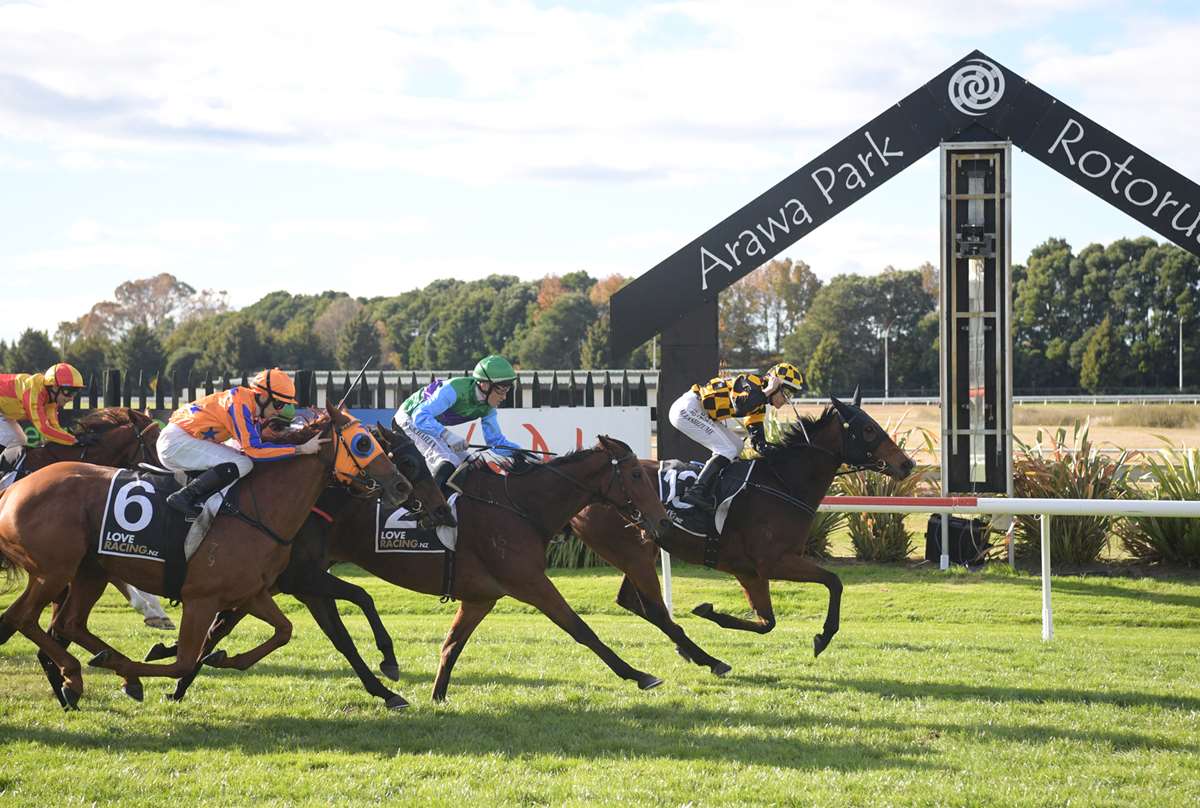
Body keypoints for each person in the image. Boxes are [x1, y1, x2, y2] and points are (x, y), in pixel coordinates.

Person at [156, 367, 324, 516]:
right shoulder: (240, 405)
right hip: (176, 443)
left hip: (185, 440)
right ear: (264, 396)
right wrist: (300, 449)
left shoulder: (248, 405)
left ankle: (209, 499)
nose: (279, 410)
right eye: (279, 404)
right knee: (243, 462)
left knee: (240, 458)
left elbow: (258, 444)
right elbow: (255, 451)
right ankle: (185, 496)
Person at [669, 362, 807, 513]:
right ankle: (695, 492)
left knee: (737, 446)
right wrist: (768, 390)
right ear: (775, 384)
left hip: (701, 412)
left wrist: (776, 454)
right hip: (688, 408)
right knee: (727, 449)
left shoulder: (759, 405)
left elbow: (757, 440)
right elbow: (741, 406)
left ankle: (712, 489)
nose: (787, 400)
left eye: (791, 396)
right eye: (786, 393)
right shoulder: (750, 381)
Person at [394, 355, 522, 489]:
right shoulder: (453, 390)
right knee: (447, 461)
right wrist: (447, 436)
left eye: (507, 390)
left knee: (472, 463)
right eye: (501, 390)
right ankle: (430, 507)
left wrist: (521, 453)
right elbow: (420, 417)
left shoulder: (488, 408)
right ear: (485, 384)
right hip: (408, 419)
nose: (504, 396)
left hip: (426, 425)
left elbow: (495, 441)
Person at [0, 363, 85, 475]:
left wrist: (74, 439)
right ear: (54, 387)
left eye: (75, 392)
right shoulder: (33, 391)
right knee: (12, 437)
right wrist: (75, 441)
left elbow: (55, 427)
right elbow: (44, 430)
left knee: (19, 440)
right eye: (68, 391)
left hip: (4, 411)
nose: (71, 398)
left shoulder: (51, 399)